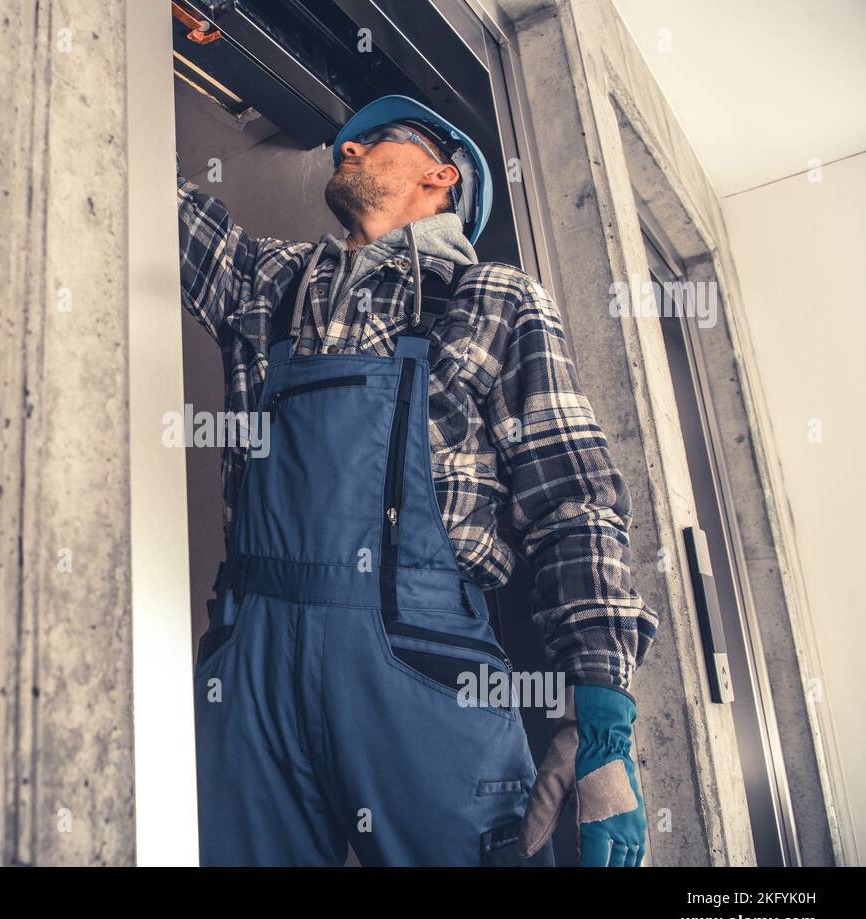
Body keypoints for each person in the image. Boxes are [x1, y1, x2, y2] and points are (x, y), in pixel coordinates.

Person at [178, 94, 658, 866]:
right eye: (346, 145)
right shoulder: (266, 282)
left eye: (374, 143)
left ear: (442, 173)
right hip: (249, 665)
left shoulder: (495, 298)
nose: (347, 151)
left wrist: (600, 720)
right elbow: (141, 194)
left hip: (423, 665)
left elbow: (574, 503)